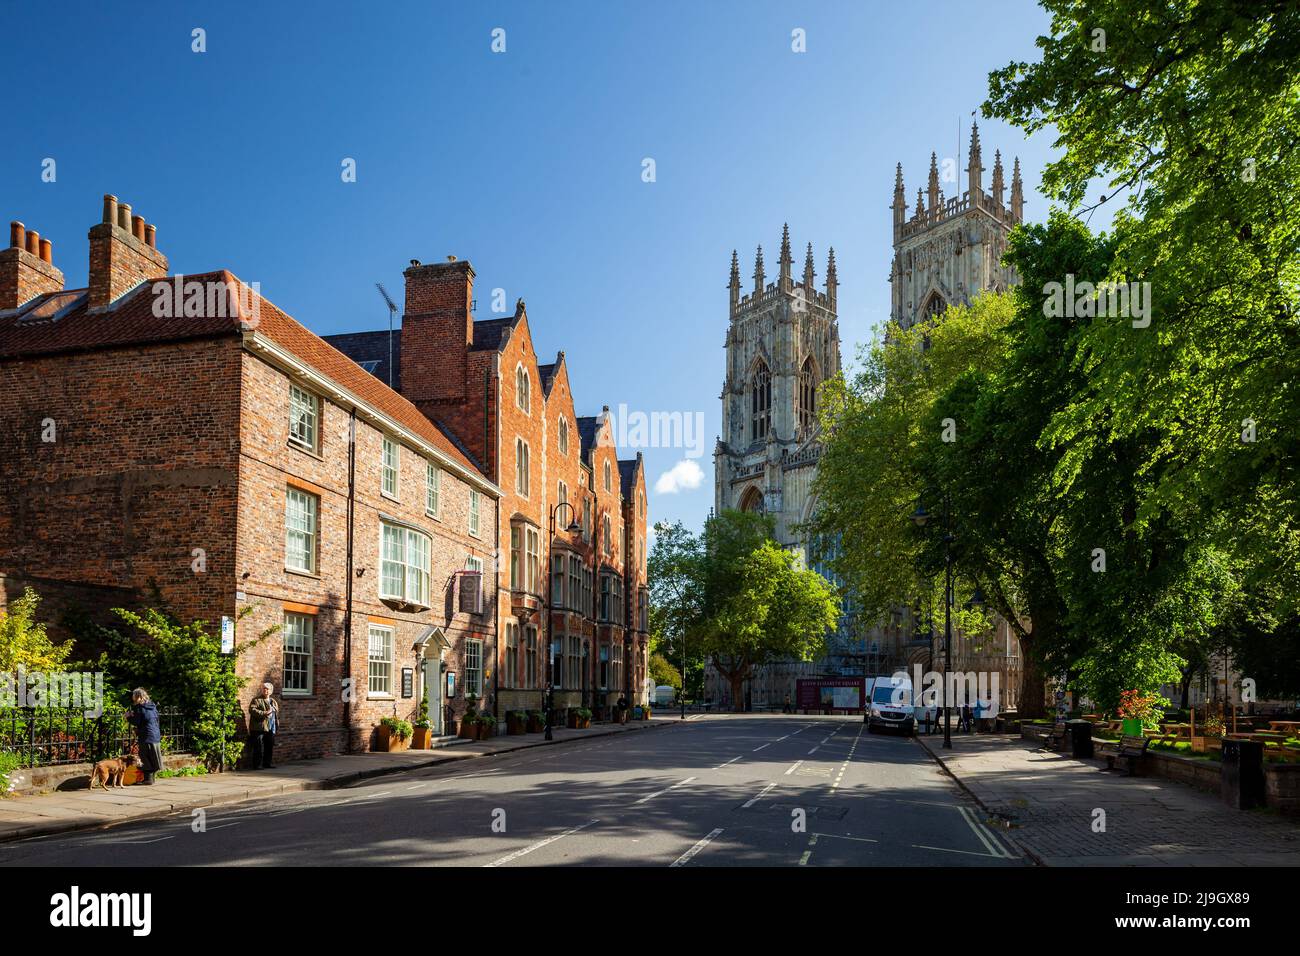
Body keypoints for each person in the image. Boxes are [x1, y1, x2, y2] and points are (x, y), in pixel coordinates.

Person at [127, 688, 163, 785]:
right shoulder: (152, 706)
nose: (132, 698)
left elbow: (136, 721)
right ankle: (151, 779)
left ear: (138, 696)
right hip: (155, 735)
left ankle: (148, 779)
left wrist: (128, 716)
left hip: (146, 735)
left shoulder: (140, 707)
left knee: (144, 756)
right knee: (153, 757)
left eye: (134, 696)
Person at [248, 682, 280, 769]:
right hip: (259, 727)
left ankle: (267, 763)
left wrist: (276, 724)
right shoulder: (256, 700)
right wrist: (265, 713)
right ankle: (257, 765)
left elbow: (275, 714)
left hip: (270, 727)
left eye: (267, 689)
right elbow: (252, 710)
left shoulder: (273, 701)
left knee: (269, 747)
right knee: (258, 747)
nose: (265, 690)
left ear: (271, 691)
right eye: (264, 688)